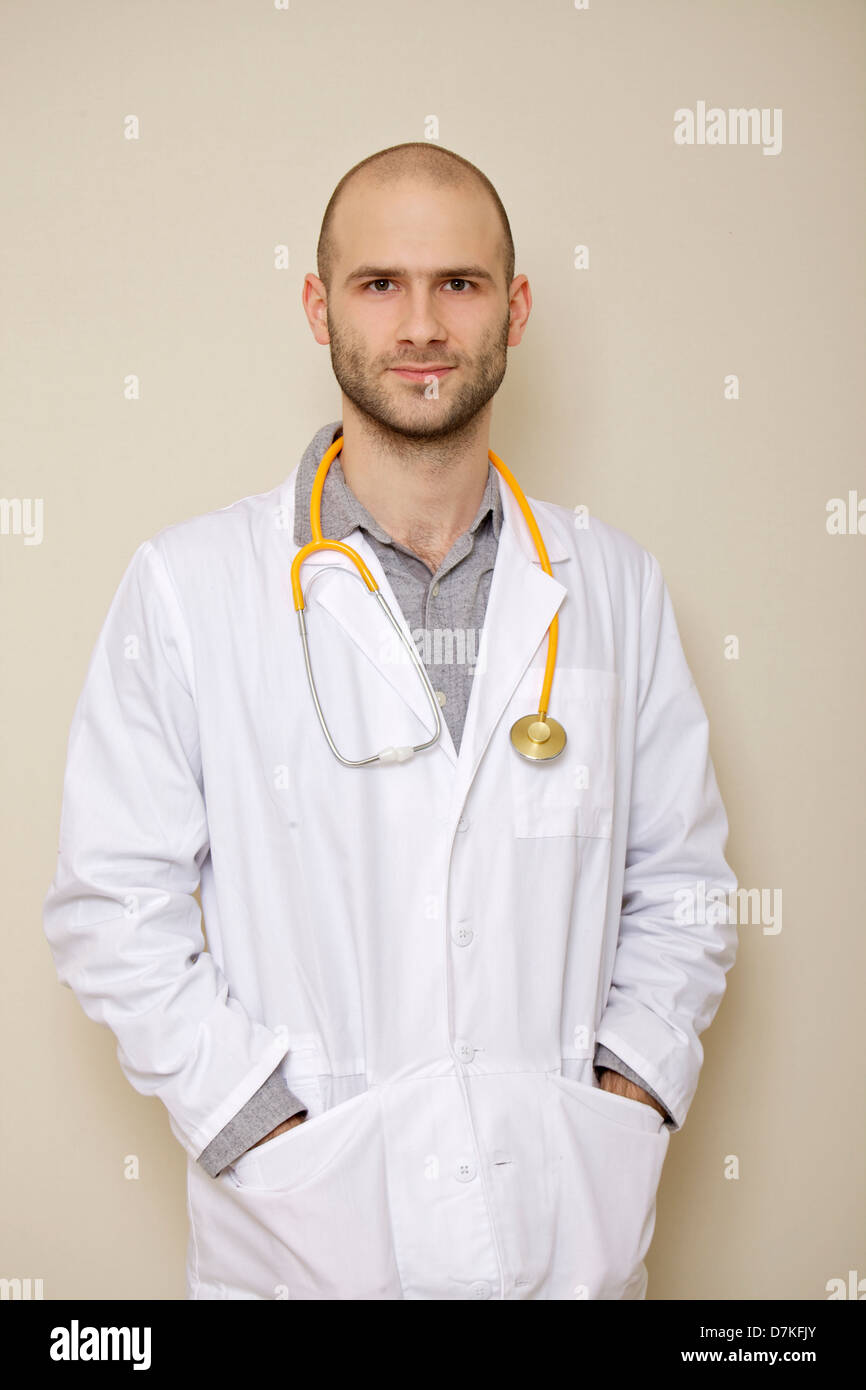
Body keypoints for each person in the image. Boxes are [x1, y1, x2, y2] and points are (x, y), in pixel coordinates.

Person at [43, 141, 738, 1301]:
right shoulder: (191, 584)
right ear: (319, 307)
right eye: (380, 285)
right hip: (304, 1246)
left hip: (559, 1231)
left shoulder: (612, 586)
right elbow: (110, 905)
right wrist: (260, 1122)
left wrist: (626, 1091)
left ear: (512, 310)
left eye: (457, 284)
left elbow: (682, 887)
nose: (420, 323)